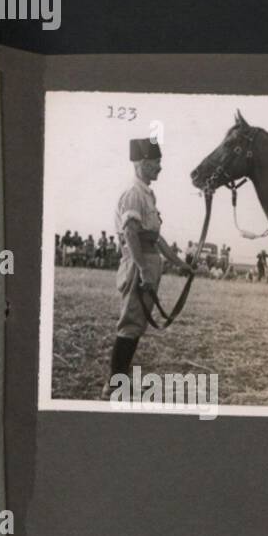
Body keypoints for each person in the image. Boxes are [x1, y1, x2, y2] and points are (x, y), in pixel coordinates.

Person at [110, 137, 195, 382]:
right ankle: (113, 384)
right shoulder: (134, 194)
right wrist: (142, 269)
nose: (159, 167)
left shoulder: (148, 195)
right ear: (141, 163)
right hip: (139, 264)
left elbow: (156, 238)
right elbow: (130, 233)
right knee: (130, 323)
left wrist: (180, 264)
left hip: (147, 262)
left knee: (136, 325)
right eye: (156, 161)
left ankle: (119, 380)